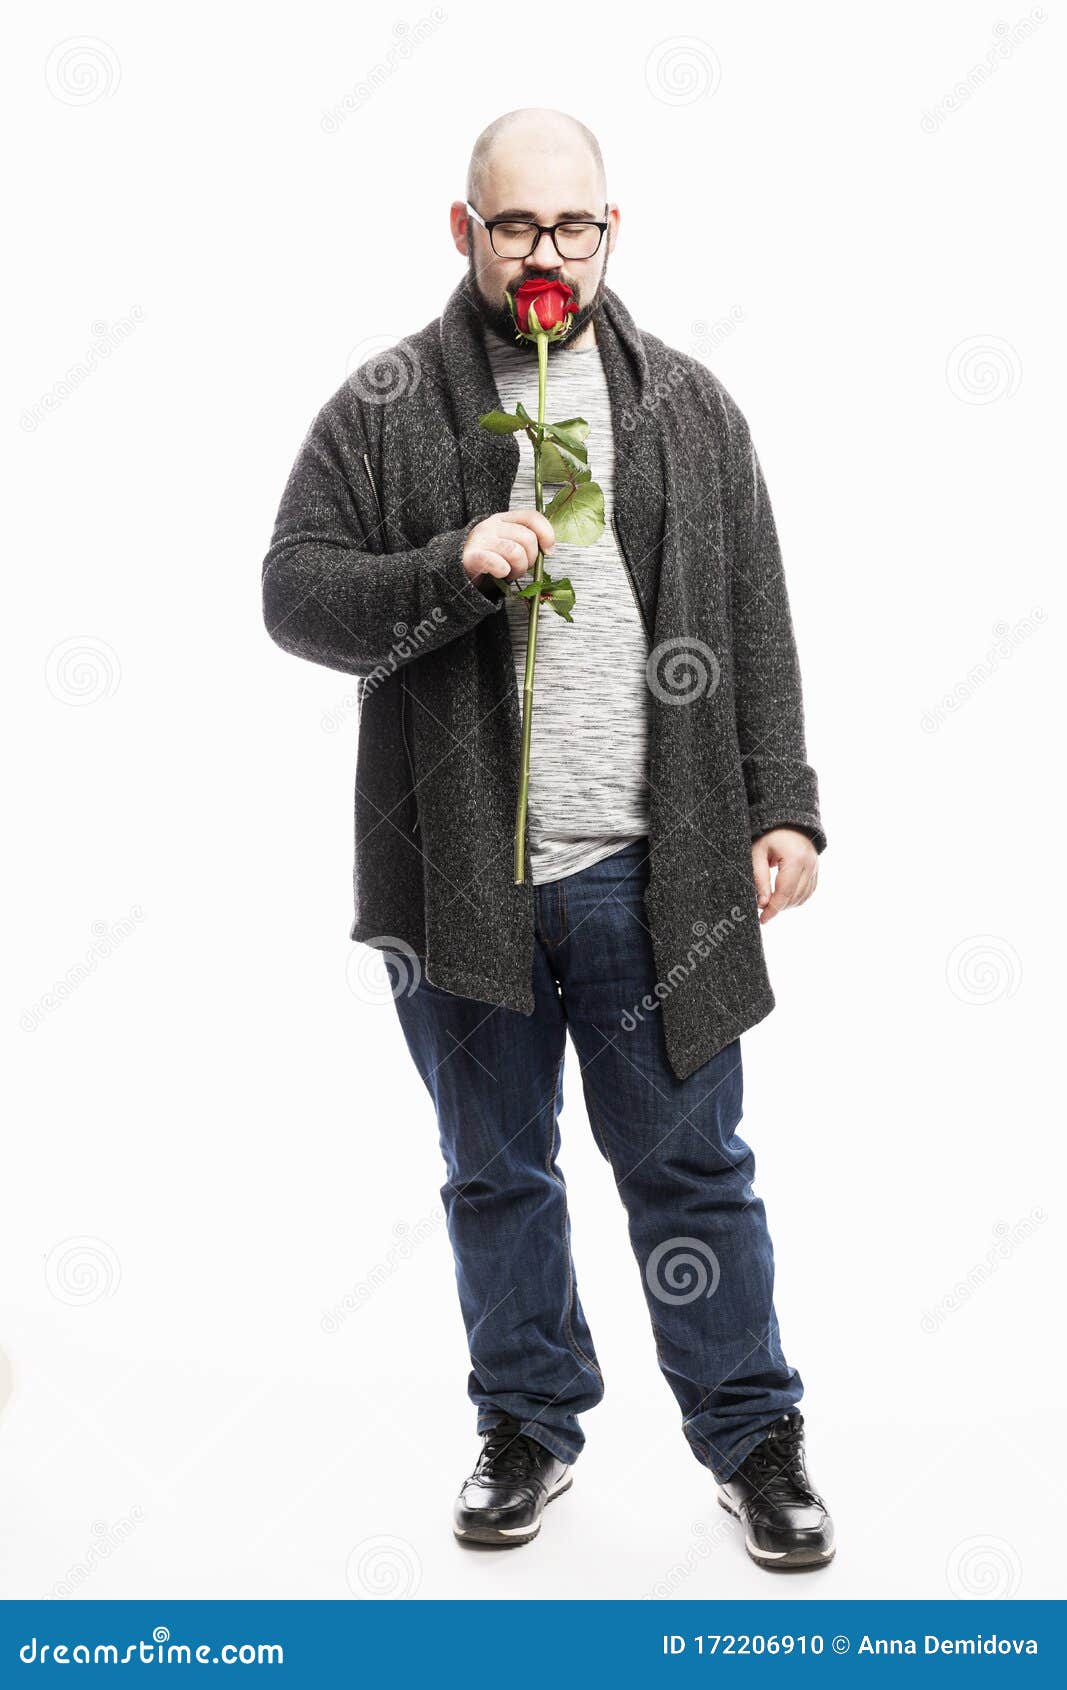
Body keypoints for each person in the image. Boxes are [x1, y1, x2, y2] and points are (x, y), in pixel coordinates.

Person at [262, 107, 833, 1571]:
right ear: (466, 232)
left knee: (694, 1175)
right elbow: (294, 593)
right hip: (463, 882)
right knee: (496, 1174)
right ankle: (526, 1424)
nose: (546, 251)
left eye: (572, 226)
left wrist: (783, 802)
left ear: (610, 234)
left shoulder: (687, 408)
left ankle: (754, 1440)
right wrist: (448, 567)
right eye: (517, 225)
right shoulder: (387, 407)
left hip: (664, 871)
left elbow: (757, 615)